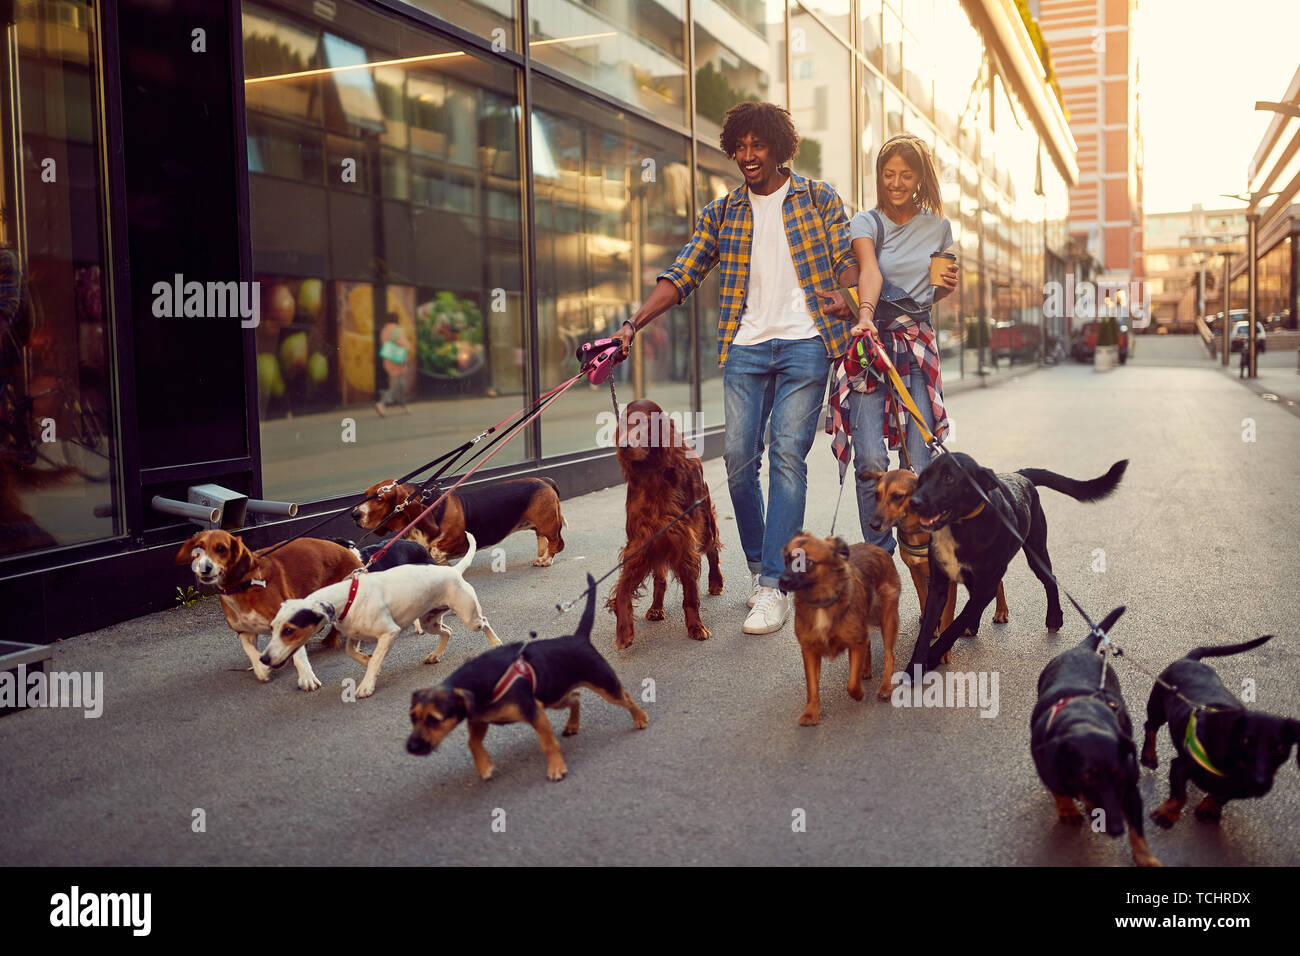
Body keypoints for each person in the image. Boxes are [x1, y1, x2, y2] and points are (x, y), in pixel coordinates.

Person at [612, 101, 856, 635]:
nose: (747, 155)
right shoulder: (722, 213)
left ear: (778, 147)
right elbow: (683, 273)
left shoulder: (817, 198)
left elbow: (846, 256)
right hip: (745, 347)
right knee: (741, 460)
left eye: (757, 145)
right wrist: (633, 324)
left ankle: (774, 585)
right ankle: (757, 567)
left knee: (789, 454)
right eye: (740, 147)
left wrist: (849, 292)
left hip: (807, 341)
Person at [828, 133, 957, 554]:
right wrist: (864, 315)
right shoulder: (866, 222)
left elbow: (937, 289)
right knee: (870, 461)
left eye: (906, 175)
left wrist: (946, 287)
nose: (896, 183)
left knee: (920, 462)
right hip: (872, 345)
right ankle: (879, 558)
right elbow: (870, 271)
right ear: (878, 177)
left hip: (916, 347)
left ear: (919, 178)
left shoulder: (938, 227)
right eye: (888, 175)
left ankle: (922, 553)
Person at [375, 311, 412, 416]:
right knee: (398, 384)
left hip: (388, 359)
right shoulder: (398, 330)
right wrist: (409, 348)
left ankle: (404, 407)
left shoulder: (384, 330)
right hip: (398, 359)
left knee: (401, 383)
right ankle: (382, 403)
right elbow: (403, 344)